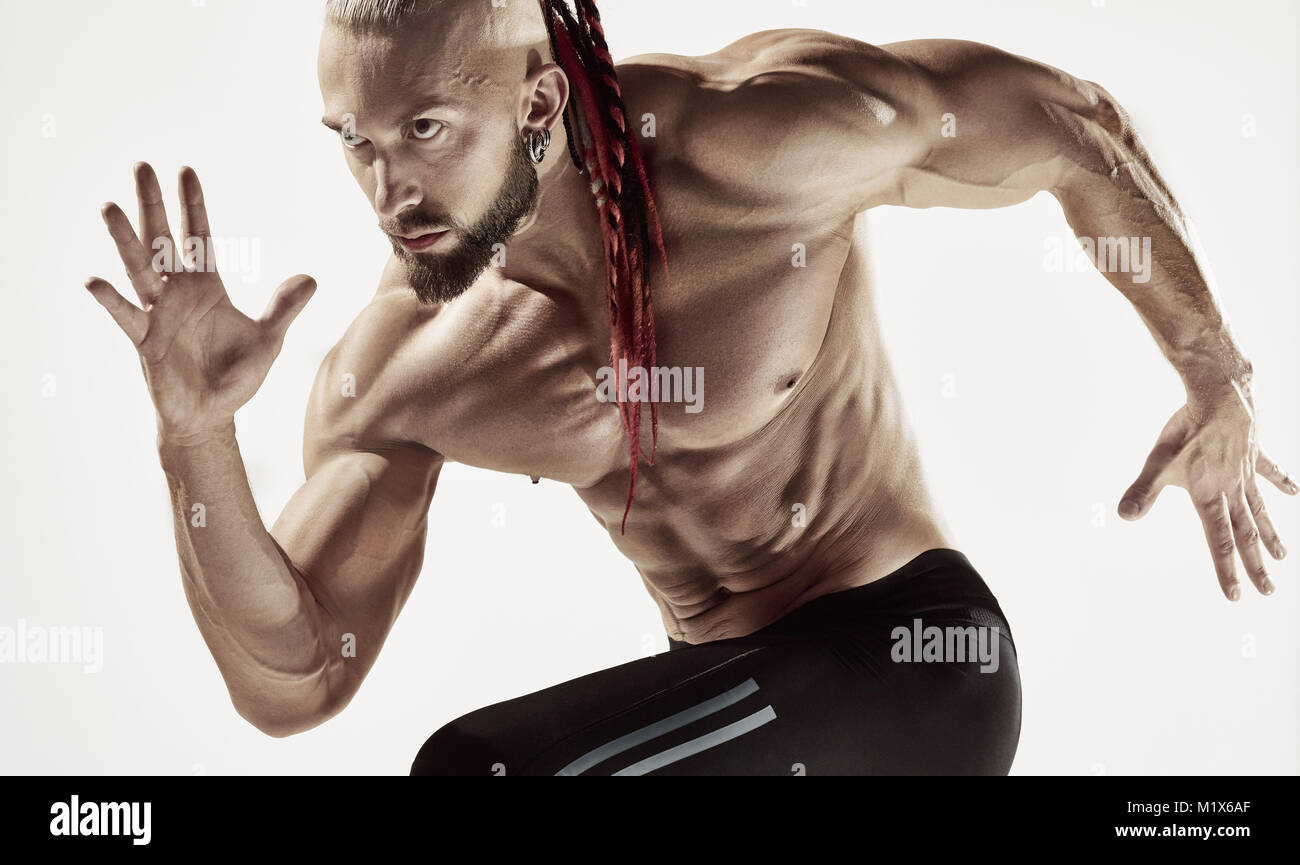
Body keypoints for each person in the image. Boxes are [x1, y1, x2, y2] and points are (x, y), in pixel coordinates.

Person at [84, 0, 1294, 775]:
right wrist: (195, 440)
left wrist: (1215, 374)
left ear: (540, 103)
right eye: (355, 141)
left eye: (427, 131)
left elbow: (1064, 126)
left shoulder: (750, 148)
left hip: (914, 664)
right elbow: (296, 676)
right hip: (731, 725)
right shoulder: (404, 368)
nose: (386, 187)